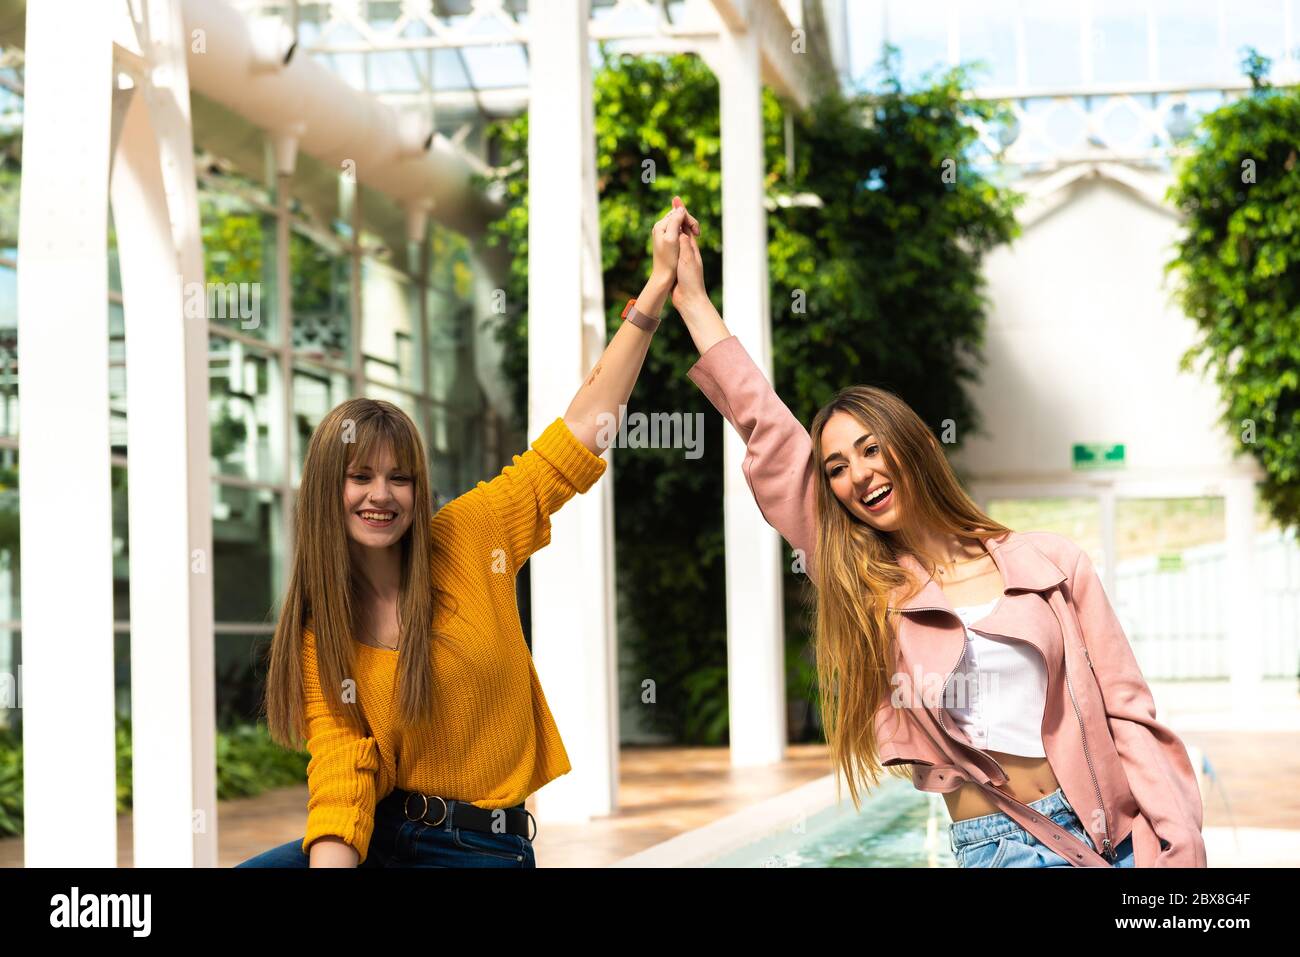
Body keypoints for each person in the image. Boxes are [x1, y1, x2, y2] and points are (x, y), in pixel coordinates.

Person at [667, 203, 1206, 868]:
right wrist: (692, 299)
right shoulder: (872, 586)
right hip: (1001, 845)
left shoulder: (1049, 562)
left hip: (1117, 837)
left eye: (870, 449)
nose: (858, 474)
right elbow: (768, 432)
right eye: (836, 467)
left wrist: (1178, 846)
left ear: (916, 445)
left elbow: (1129, 711)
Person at [236, 199, 700, 868]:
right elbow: (342, 772)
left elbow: (581, 430)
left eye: (399, 478)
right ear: (324, 490)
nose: (380, 495)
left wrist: (655, 292)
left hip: (481, 845)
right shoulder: (321, 629)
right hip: (381, 838)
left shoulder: (469, 533)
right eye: (359, 476)